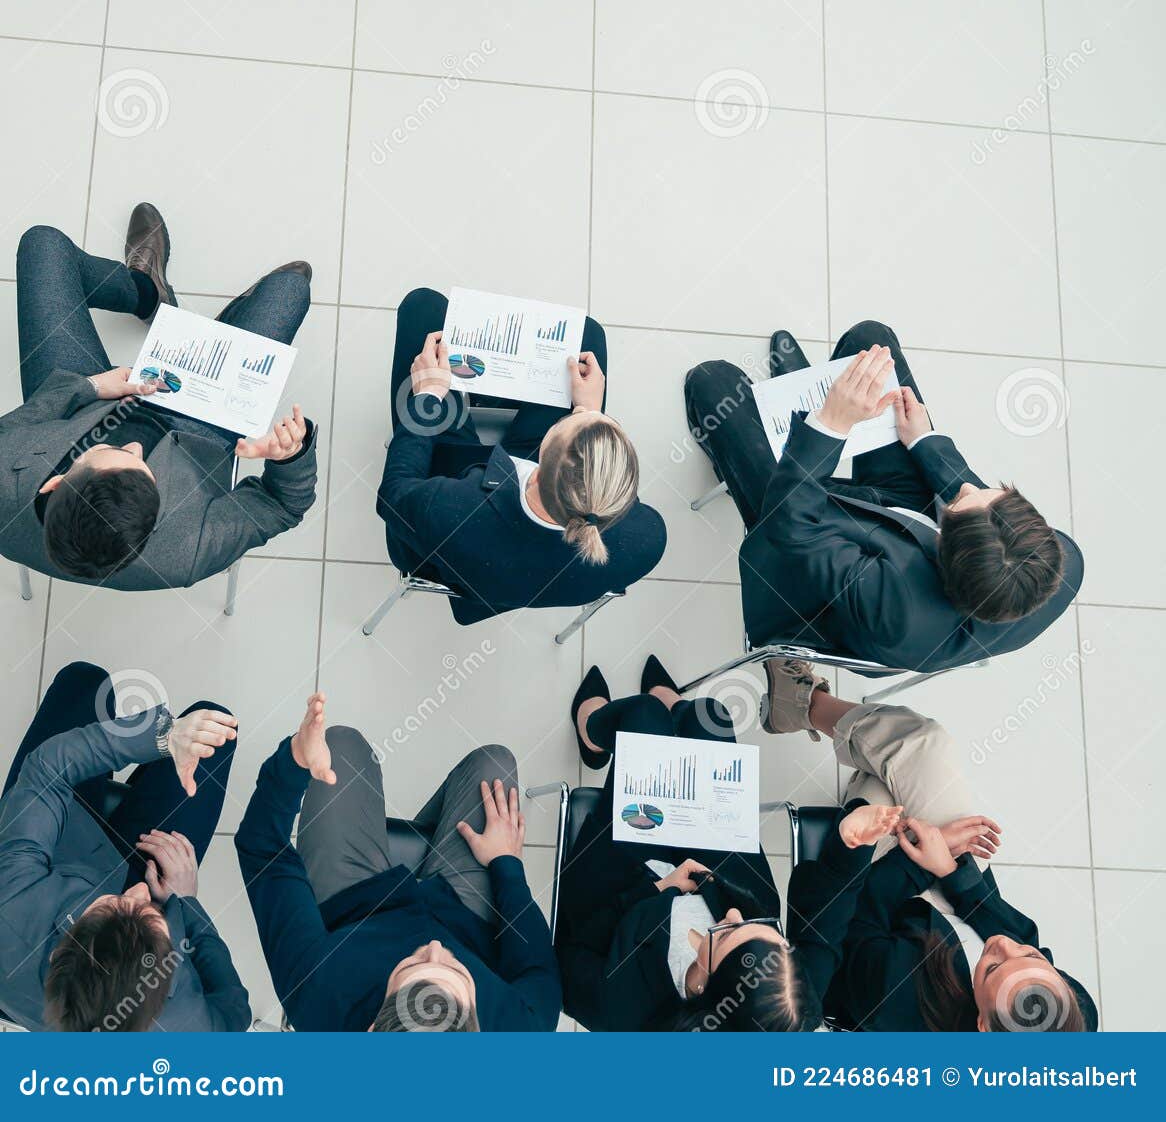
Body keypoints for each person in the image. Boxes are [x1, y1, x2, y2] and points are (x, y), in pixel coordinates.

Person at [685, 320, 1083, 672]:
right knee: (871, 339)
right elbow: (982, 511)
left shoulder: (897, 610)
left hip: (807, 537)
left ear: (947, 545)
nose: (964, 486)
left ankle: (803, 423)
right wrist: (926, 442)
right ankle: (812, 402)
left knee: (713, 383)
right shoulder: (1062, 564)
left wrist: (828, 426)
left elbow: (794, 528)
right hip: (904, 515)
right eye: (987, 492)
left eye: (960, 502)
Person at [555, 656, 904, 1031]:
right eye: (772, 931)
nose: (736, 915)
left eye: (725, 935)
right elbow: (829, 919)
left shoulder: (620, 1008)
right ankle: (679, 715)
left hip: (626, 878)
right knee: (711, 715)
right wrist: (852, 844)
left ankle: (594, 734)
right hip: (719, 860)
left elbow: (571, 950)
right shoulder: (790, 1003)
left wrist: (657, 889)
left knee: (643, 716)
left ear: (704, 989)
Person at [761, 662, 1098, 1032]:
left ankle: (806, 707)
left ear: (982, 1024)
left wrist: (921, 863)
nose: (1004, 943)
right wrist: (949, 869)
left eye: (995, 966)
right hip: (945, 890)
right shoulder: (1069, 1015)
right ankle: (813, 718)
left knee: (910, 756)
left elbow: (860, 913)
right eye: (1030, 955)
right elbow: (1005, 924)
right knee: (920, 749)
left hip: (870, 908)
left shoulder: (901, 1001)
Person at [2, 207, 318, 590]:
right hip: (198, 430)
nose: (134, 445)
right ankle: (217, 336)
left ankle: (146, 291)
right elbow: (282, 506)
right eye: (144, 468)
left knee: (43, 244)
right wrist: (289, 458)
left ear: (54, 484)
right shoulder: (185, 554)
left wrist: (92, 387)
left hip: (88, 401)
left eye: (116, 454)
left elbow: (13, 428)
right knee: (291, 288)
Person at [235, 694, 560, 1032]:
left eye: (411, 966)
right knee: (494, 764)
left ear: (372, 1028)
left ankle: (415, 852)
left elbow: (262, 850)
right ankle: (429, 854)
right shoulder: (523, 1034)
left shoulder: (320, 997)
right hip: (463, 920)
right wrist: (507, 864)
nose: (434, 948)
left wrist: (294, 761)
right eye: (455, 970)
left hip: (356, 911)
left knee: (341, 746)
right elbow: (540, 973)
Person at [376, 286, 666, 623]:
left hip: (464, 501)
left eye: (576, 421)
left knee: (424, 307)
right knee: (587, 334)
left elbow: (393, 495)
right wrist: (586, 406)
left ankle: (466, 386)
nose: (584, 414)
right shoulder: (647, 538)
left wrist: (428, 397)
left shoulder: (447, 510)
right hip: (519, 550)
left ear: (542, 459)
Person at [0, 660, 246, 1032]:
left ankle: (160, 758)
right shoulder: (192, 1027)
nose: (138, 890)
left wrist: (164, 737)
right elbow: (235, 1011)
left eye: (117, 903)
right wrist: (186, 903)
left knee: (84, 680)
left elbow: (47, 768)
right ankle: (157, 774)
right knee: (217, 734)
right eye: (150, 915)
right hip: (163, 873)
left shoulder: (9, 906)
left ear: (60, 951)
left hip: (60, 842)